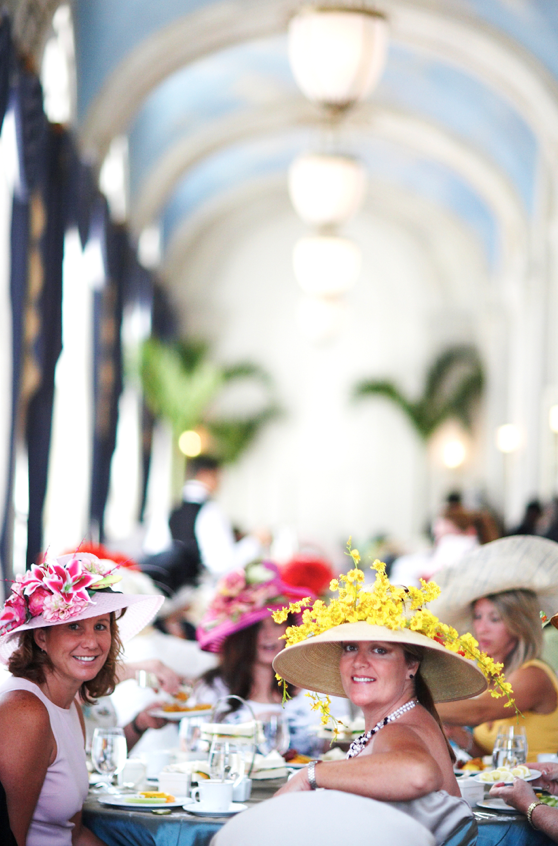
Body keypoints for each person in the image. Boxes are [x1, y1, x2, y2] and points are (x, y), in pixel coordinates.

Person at [215, 546, 509, 846]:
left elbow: (418, 773)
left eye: (380, 650)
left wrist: (310, 775)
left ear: (411, 665)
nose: (359, 661)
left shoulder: (399, 730)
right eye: (350, 647)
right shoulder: (405, 719)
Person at [0, 551, 163, 846]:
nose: (91, 642)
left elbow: (72, 834)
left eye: (100, 626)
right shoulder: (24, 711)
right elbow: (12, 838)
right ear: (41, 637)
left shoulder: (70, 704)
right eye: (74, 626)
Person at [192, 560, 350, 755]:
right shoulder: (213, 688)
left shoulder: (319, 688)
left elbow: (341, 751)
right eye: (257, 627)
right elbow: (194, 752)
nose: (268, 634)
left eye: (277, 622)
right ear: (241, 636)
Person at [429, 535, 558, 759]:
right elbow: (492, 757)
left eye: (494, 619)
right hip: (504, 788)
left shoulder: (533, 675)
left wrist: (407, 703)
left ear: (519, 624)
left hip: (542, 790)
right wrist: (457, 735)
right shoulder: (491, 674)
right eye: (478, 617)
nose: (482, 628)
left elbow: (479, 711)